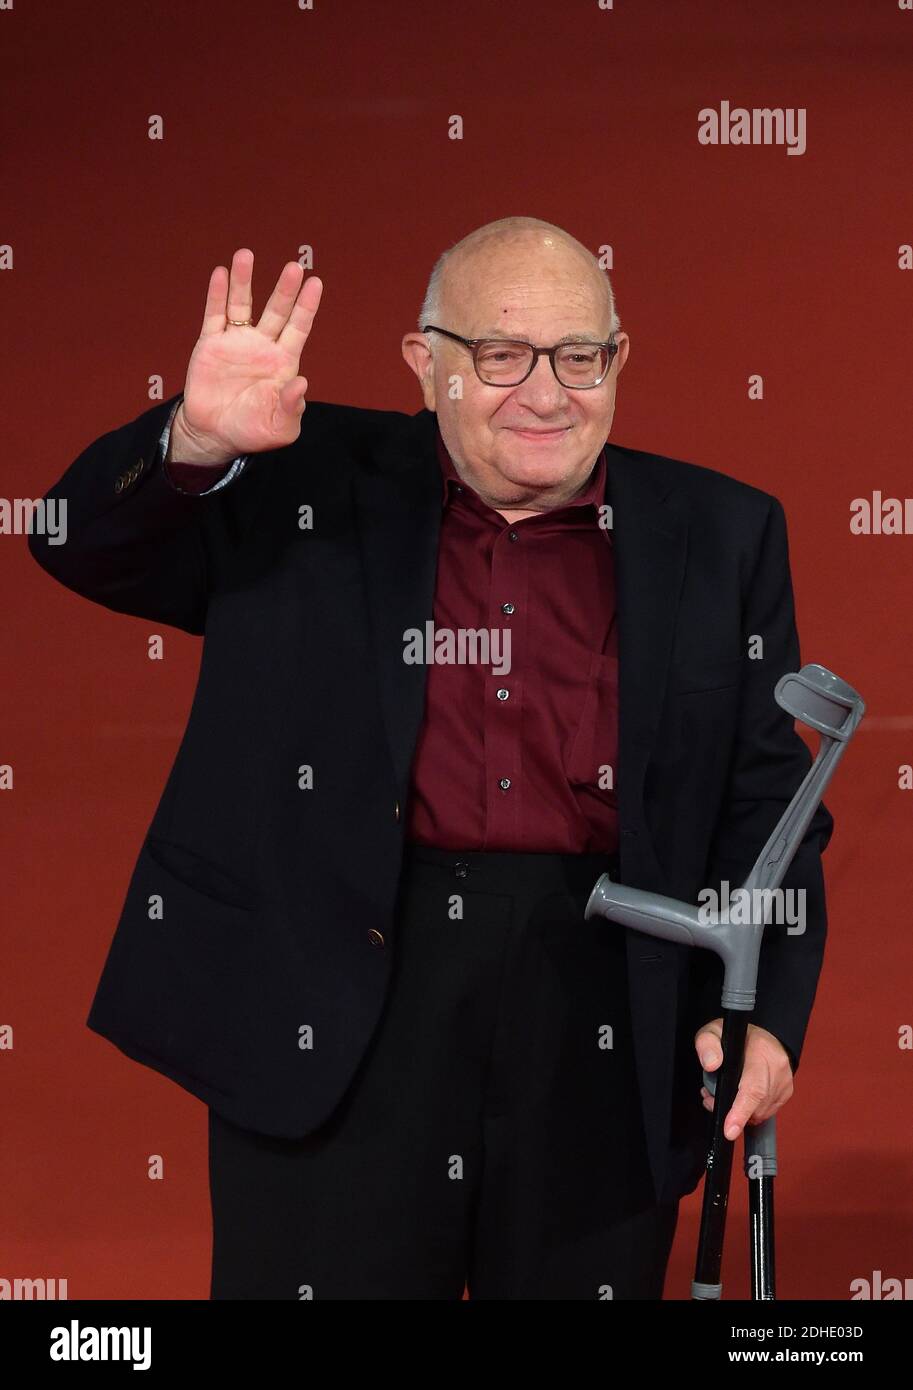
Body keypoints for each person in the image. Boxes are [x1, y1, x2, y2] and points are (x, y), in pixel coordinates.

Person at [28, 217, 832, 1300]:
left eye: (578, 357)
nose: (546, 396)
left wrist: (766, 1013)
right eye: (500, 357)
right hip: (339, 1000)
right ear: (426, 363)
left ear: (618, 357)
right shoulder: (294, 476)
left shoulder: (721, 531)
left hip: (603, 1009)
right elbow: (73, 540)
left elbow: (767, 800)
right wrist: (195, 443)